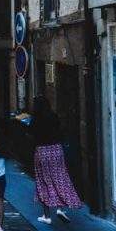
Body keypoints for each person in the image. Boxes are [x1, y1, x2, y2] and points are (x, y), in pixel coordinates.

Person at [29, 96, 82, 224]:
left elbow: (31, 134)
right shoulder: (53, 116)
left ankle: (46, 216)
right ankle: (60, 209)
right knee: (60, 178)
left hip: (42, 151)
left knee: (43, 182)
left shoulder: (35, 119)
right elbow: (60, 130)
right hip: (56, 150)